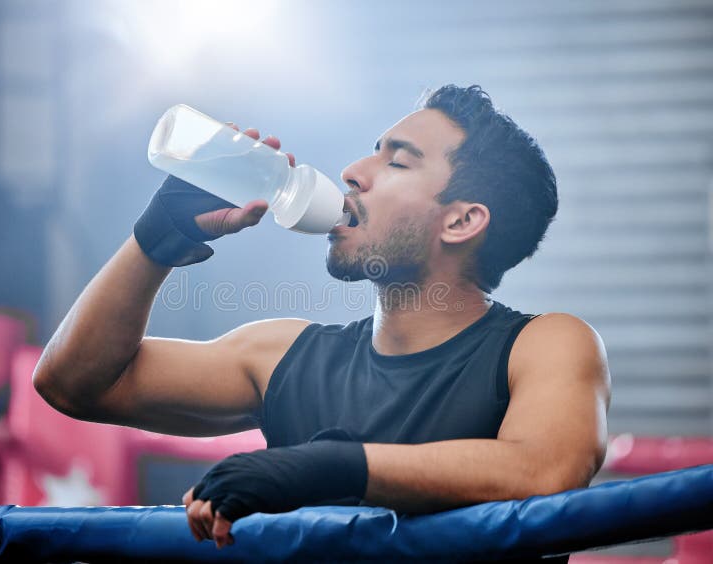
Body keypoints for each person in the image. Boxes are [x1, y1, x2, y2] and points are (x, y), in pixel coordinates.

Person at [33, 85, 611, 557]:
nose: (354, 172)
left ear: (461, 221)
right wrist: (159, 237)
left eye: (397, 160)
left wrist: (332, 467)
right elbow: (74, 382)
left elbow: (546, 469)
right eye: (372, 151)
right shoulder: (283, 354)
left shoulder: (545, 344)